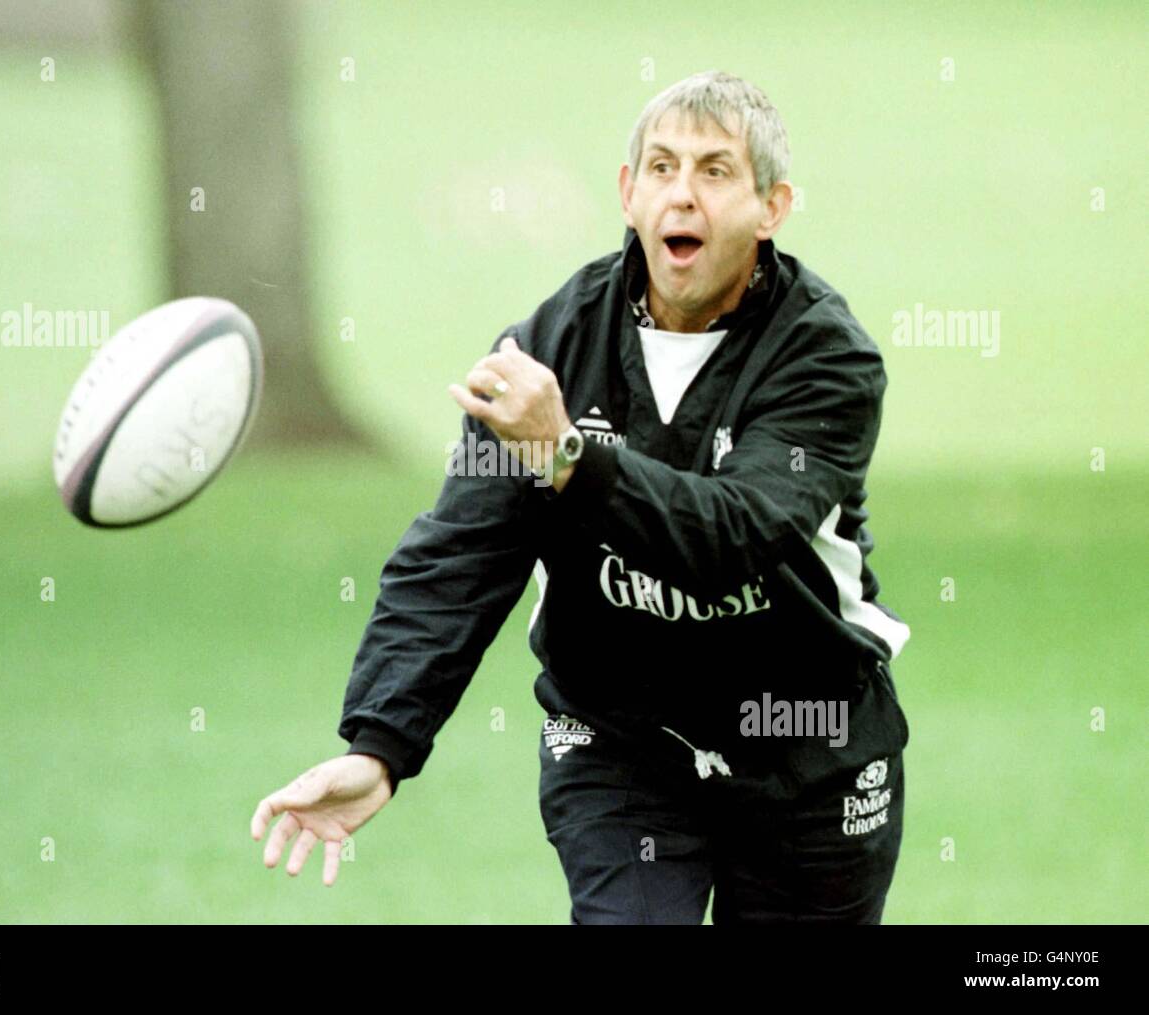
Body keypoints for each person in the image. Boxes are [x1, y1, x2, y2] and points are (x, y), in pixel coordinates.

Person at [251, 70, 911, 924]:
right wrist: (380, 743)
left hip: (810, 745)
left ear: (772, 208)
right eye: (663, 168)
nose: (684, 193)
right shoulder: (547, 350)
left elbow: (736, 536)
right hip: (619, 740)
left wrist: (567, 456)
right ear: (629, 194)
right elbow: (461, 554)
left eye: (716, 172)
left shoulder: (826, 359)